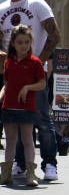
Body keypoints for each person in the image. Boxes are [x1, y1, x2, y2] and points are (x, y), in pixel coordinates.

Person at [0, 0, 62, 181]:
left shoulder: (37, 4)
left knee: (42, 120)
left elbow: (54, 35)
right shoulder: (2, 10)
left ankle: (49, 164)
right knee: (17, 121)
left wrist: (38, 62)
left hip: (35, 75)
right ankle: (20, 164)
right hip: (13, 75)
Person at [0, 25, 46, 186]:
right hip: (8, 107)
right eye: (20, 42)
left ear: (31, 42)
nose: (24, 45)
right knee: (10, 141)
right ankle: (6, 174)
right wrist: (1, 95)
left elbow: (42, 84)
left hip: (27, 107)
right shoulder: (8, 62)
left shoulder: (35, 62)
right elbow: (7, 83)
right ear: (13, 43)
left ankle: (31, 174)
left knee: (27, 140)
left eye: (27, 42)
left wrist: (27, 87)